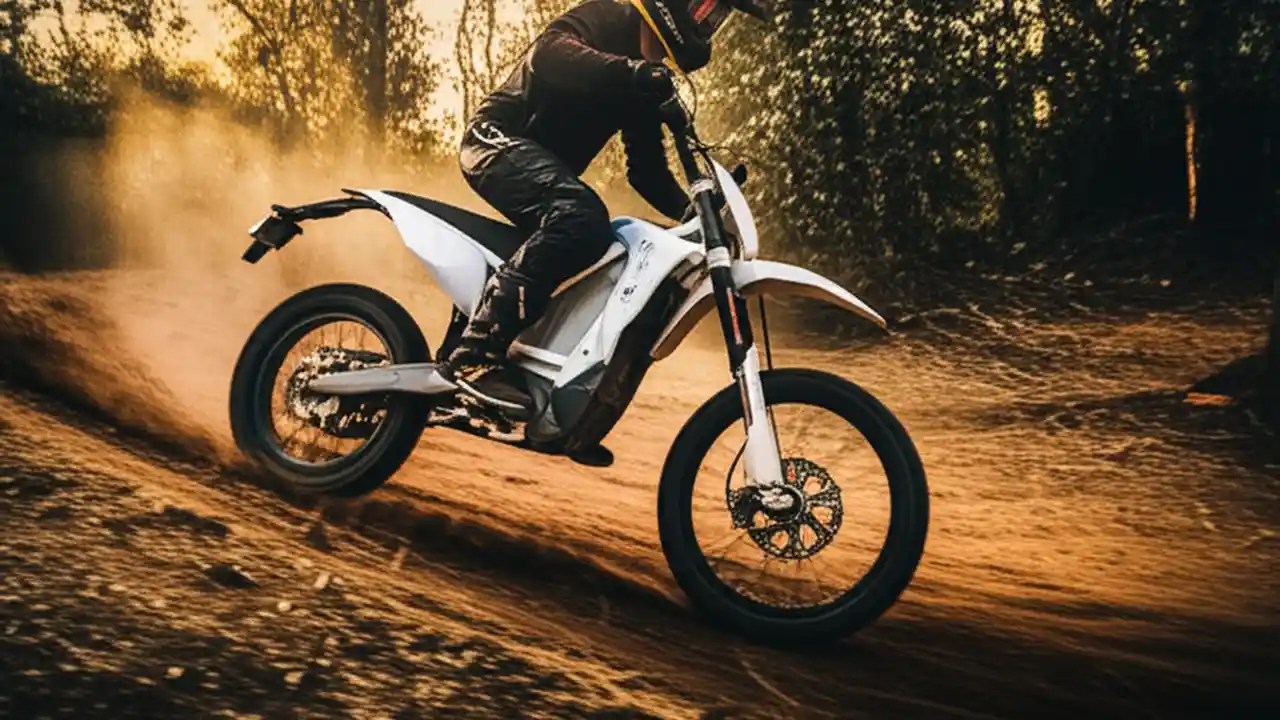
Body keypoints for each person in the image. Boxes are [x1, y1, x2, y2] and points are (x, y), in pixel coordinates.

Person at [445, 0, 773, 411]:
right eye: (709, 12)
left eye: (718, 21)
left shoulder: (647, 84)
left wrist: (696, 213)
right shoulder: (607, 18)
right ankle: (474, 358)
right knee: (582, 216)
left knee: (607, 244)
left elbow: (647, 173)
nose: (710, 26)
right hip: (494, 140)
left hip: (545, 178)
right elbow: (548, 54)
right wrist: (632, 72)